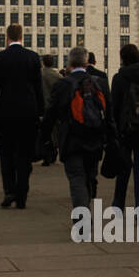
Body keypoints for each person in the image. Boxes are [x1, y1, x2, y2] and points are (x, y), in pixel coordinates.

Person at [42, 46, 113, 215]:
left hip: (71, 138)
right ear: (87, 62)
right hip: (94, 138)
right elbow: (108, 112)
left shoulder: (63, 84)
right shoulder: (99, 82)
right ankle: (86, 205)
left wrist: (45, 137)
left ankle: (82, 218)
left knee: (76, 178)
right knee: (89, 175)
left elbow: (51, 113)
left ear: (69, 63)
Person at [0, 24, 44, 208]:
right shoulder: (33, 57)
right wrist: (41, 112)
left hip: (6, 112)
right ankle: (22, 194)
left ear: (7, 37)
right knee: (25, 154)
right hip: (28, 112)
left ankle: (9, 190)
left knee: (7, 152)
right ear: (22, 36)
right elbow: (38, 88)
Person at [109, 43, 139, 212]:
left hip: (125, 130)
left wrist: (113, 131)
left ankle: (118, 205)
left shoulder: (119, 78)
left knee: (123, 168)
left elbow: (114, 107)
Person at [40, 54, 62, 166]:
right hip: (55, 108)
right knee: (54, 131)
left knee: (44, 132)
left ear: (43, 62)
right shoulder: (58, 76)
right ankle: (54, 152)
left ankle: (46, 156)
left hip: (43, 107)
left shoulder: (39, 75)